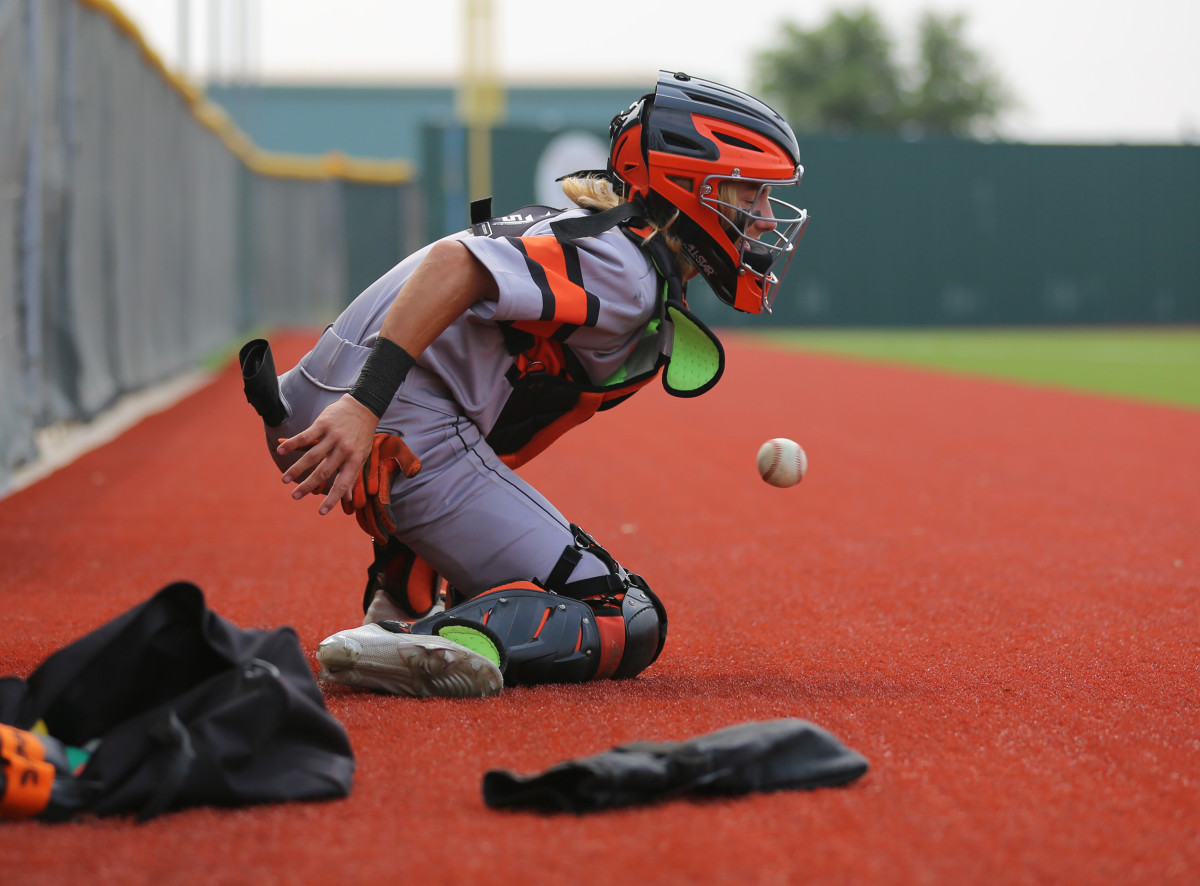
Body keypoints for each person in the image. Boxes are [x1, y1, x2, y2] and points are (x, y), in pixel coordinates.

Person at [239, 71, 809, 698]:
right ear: (688, 186)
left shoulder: (594, 233)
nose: (760, 217)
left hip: (341, 400)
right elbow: (454, 265)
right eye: (748, 193)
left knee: (516, 559)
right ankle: (443, 639)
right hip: (386, 415)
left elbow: (506, 404)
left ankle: (397, 615)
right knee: (623, 615)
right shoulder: (627, 270)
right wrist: (363, 406)